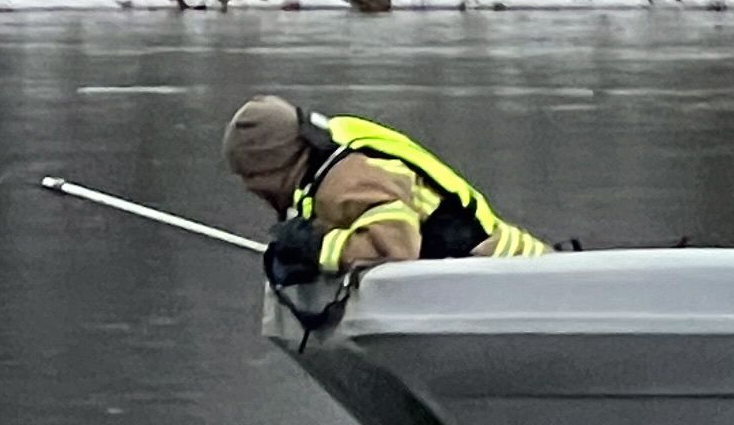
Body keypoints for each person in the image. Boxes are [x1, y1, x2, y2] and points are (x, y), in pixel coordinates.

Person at [223, 96, 546, 317]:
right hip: (499, 278)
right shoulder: (332, 150)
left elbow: (395, 247)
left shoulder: (345, 178)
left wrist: (318, 248)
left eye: (250, 179)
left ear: (271, 170)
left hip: (512, 284)